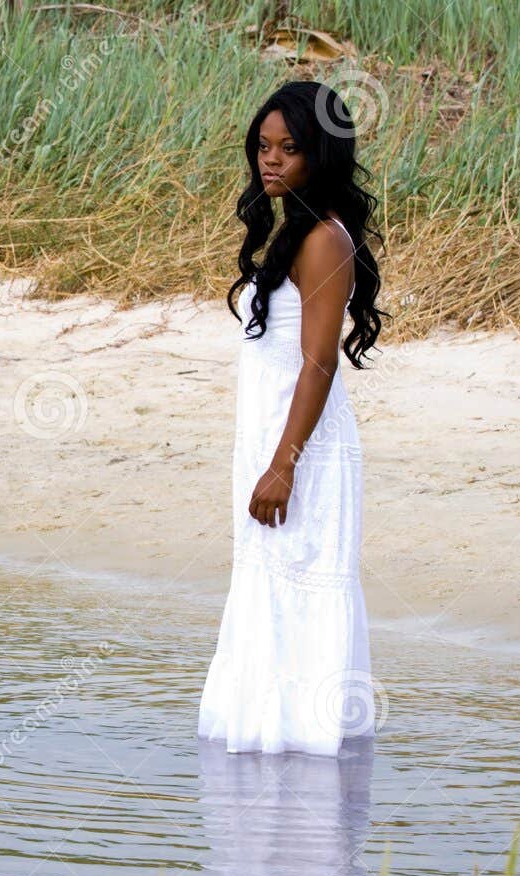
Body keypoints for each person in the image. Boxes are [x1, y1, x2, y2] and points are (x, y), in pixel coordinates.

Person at [197, 81, 388, 756]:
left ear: (321, 155)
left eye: (290, 149)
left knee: (299, 590)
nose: (269, 160)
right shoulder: (295, 232)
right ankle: (277, 771)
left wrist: (283, 466)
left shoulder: (324, 241)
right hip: (276, 448)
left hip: (302, 456)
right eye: (262, 146)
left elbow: (319, 365)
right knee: (268, 588)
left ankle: (304, 755)